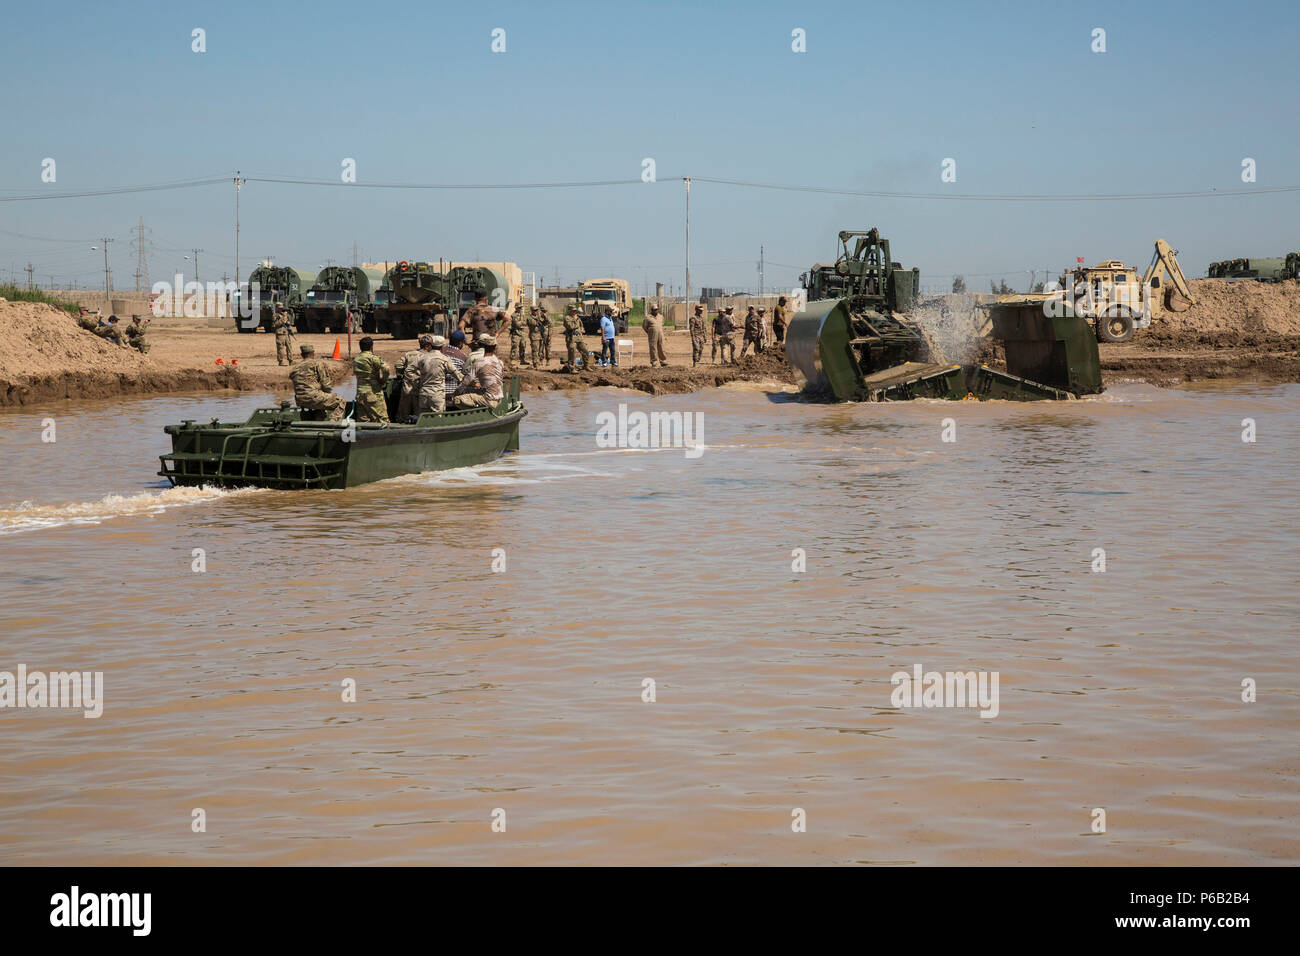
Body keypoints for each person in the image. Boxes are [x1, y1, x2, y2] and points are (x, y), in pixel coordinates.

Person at [289, 343, 346, 421]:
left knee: (320, 401)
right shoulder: (317, 364)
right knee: (341, 401)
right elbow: (326, 385)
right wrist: (327, 394)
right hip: (314, 397)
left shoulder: (295, 368)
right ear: (313, 353)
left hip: (300, 400)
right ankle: (333, 424)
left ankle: (317, 420)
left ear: (302, 354)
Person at [414, 334, 464, 414]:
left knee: (424, 418)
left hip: (423, 394)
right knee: (438, 419)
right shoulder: (444, 359)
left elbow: (413, 371)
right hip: (437, 394)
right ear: (442, 346)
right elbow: (457, 375)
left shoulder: (422, 358)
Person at [452, 335, 505, 407]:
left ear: (483, 347)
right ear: (495, 347)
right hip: (499, 399)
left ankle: (471, 414)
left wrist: (456, 393)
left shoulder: (479, 363)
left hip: (488, 400)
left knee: (457, 399)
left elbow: (466, 381)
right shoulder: (500, 362)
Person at [352, 336, 391, 423]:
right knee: (383, 421)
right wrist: (383, 380)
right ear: (371, 347)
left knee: (363, 422)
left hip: (360, 394)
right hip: (373, 393)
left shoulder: (356, 359)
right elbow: (386, 368)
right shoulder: (373, 358)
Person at [393, 339, 426, 421]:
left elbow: (398, 365)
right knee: (418, 414)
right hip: (419, 387)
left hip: (407, 386)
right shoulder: (428, 356)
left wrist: (404, 373)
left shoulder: (409, 354)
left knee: (403, 413)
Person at [561, 304, 593, 372]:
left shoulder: (578, 318)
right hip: (571, 338)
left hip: (579, 338)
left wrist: (581, 331)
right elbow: (571, 326)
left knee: (585, 350)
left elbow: (581, 326)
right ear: (569, 311)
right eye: (573, 311)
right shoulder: (567, 318)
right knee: (572, 352)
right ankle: (572, 368)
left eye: (575, 311)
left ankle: (586, 365)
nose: (575, 312)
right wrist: (575, 320)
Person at [442, 330, 470, 405]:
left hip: (438, 392)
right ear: (460, 343)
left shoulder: (440, 351)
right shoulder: (463, 356)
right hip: (453, 394)